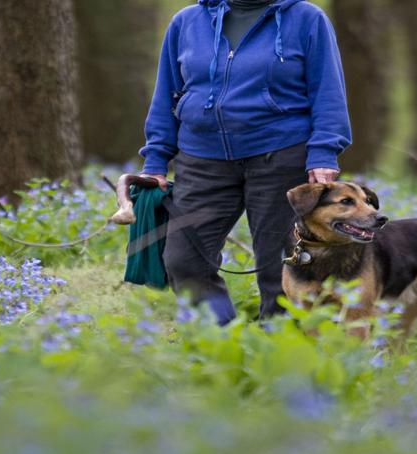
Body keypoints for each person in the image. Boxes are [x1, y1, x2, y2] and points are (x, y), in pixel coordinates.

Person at [139, 0, 351, 325]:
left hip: (281, 154)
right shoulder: (187, 21)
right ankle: (220, 343)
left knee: (281, 266)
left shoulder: (306, 19)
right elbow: (167, 93)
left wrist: (324, 152)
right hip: (201, 158)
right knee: (184, 261)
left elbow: (328, 91)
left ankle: (278, 354)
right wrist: (155, 160)